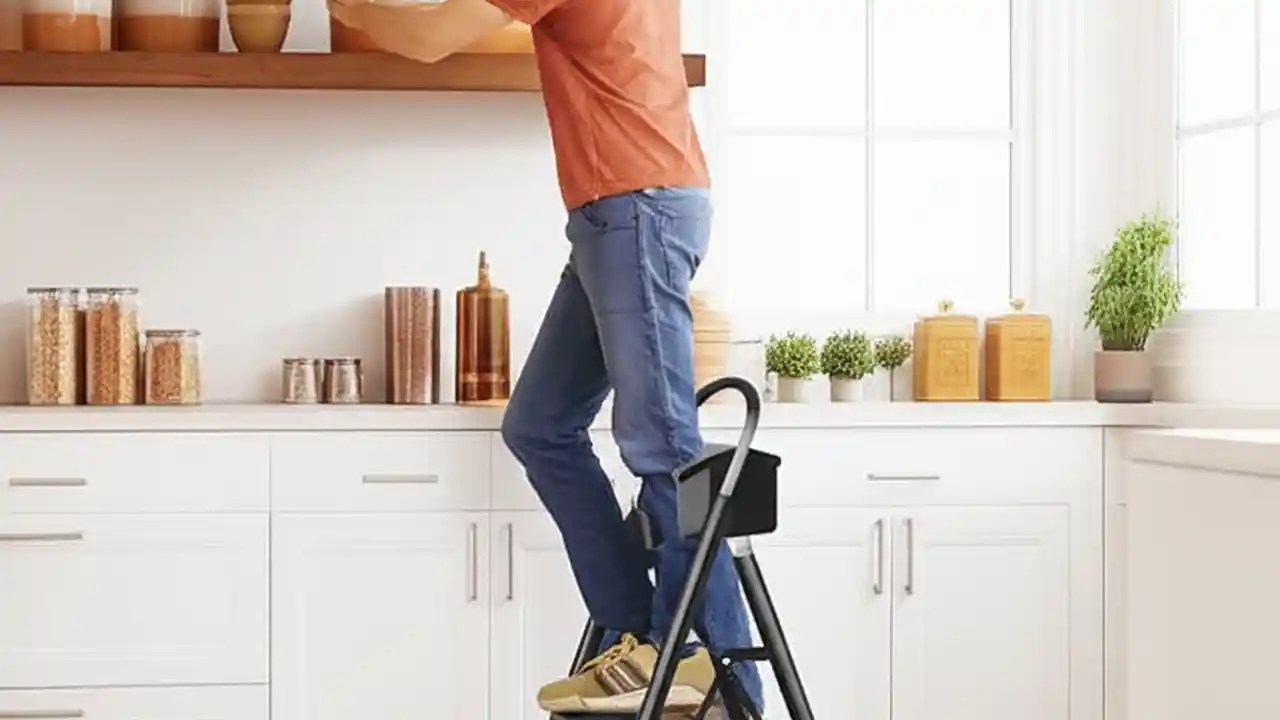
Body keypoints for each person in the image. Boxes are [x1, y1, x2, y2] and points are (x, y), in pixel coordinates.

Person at [326, 0, 764, 714]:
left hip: (636, 206)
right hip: (614, 211)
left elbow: (429, 38)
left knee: (663, 446)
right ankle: (638, 632)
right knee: (539, 426)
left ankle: (702, 665)